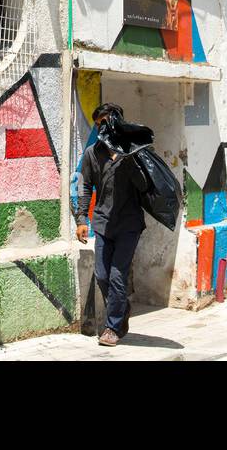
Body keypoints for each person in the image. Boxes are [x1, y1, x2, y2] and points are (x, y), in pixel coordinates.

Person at [73, 102, 150, 346]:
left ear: (118, 122)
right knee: (103, 275)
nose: (102, 128)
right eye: (98, 125)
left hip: (129, 224)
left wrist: (132, 158)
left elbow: (148, 183)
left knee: (118, 276)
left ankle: (112, 327)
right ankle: (122, 307)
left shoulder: (135, 151)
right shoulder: (92, 154)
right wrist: (81, 218)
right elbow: (85, 185)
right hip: (103, 223)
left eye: (106, 122)